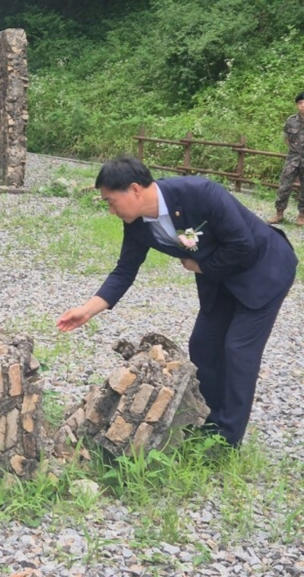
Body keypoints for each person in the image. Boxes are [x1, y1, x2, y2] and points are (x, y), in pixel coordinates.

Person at [57, 156, 298, 447]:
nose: (110, 209)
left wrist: (202, 267)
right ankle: (206, 420)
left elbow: (243, 246)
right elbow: (124, 271)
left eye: (110, 201)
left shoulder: (200, 193)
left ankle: (227, 439)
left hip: (264, 271)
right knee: (203, 344)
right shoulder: (137, 224)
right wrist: (87, 310)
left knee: (238, 351)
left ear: (134, 189)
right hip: (219, 280)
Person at [268, 91, 304, 226]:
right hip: (292, 159)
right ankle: (279, 213)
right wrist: (295, 151)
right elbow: (286, 139)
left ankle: (302, 216)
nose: (303, 105)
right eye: (300, 103)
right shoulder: (291, 121)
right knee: (284, 186)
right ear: (297, 105)